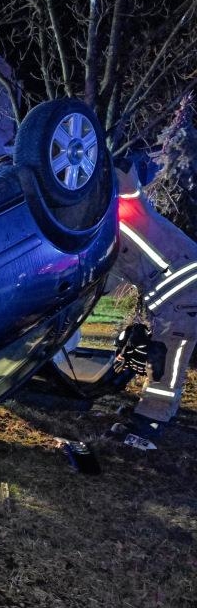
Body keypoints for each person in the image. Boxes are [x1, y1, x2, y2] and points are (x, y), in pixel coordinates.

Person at [112, 163, 197, 441]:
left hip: (186, 299)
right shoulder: (106, 239)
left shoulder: (129, 210)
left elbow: (127, 183)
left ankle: (151, 421)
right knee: (163, 358)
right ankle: (153, 415)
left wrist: (113, 160)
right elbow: (107, 282)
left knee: (165, 363)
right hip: (173, 304)